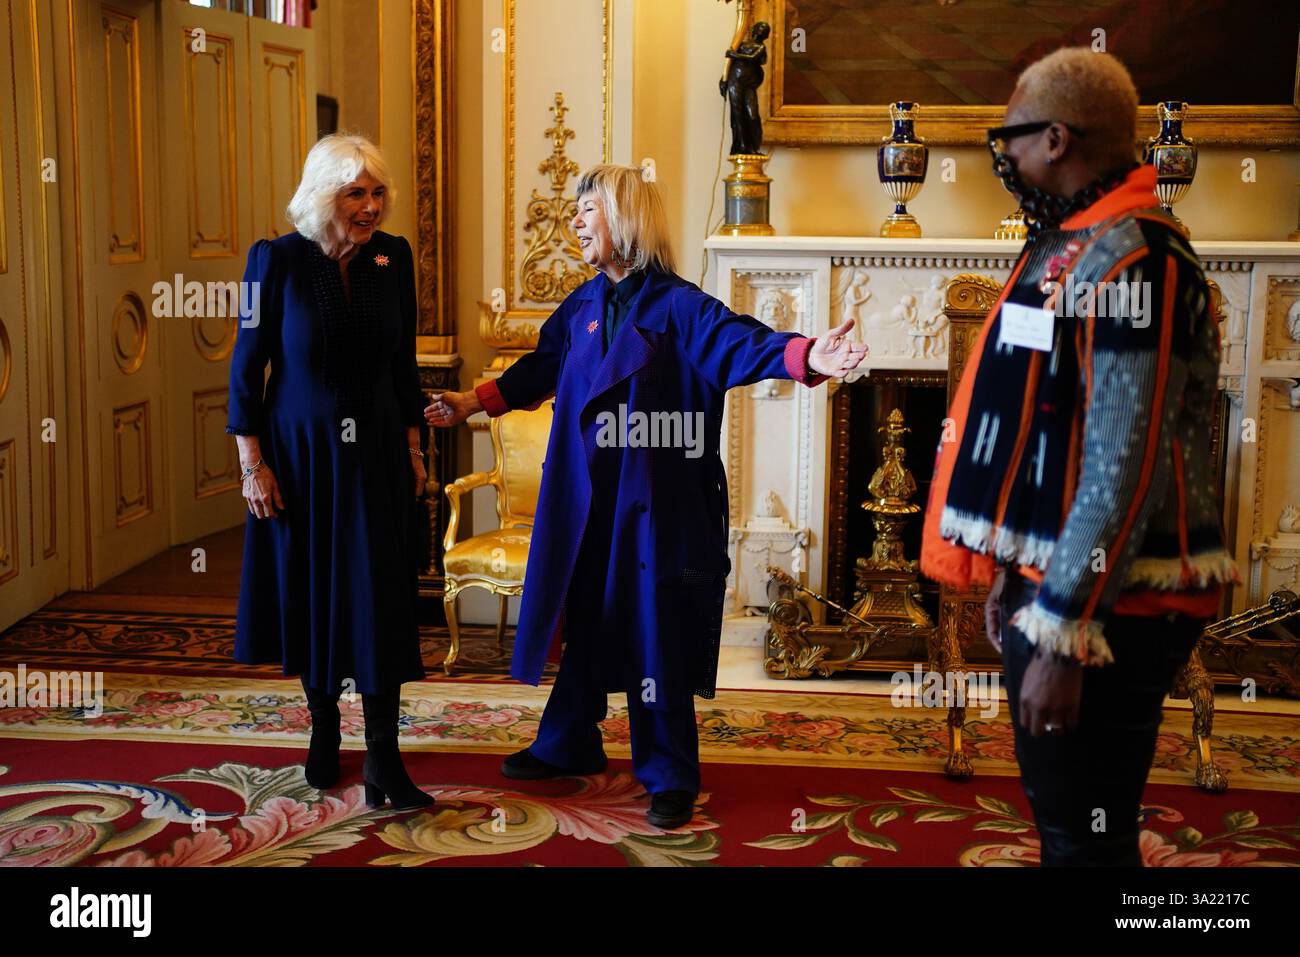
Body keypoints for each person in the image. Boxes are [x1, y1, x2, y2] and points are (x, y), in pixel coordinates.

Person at [427, 164, 866, 828]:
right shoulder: (580, 305)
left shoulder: (680, 306)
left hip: (657, 502)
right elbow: (537, 368)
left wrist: (806, 356)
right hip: (586, 499)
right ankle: (569, 740)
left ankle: (668, 770)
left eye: (588, 210)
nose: (575, 221)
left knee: (653, 625)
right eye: (574, 212)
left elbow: (742, 342)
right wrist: (470, 401)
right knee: (590, 615)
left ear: (626, 218)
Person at [921, 48, 1239, 865]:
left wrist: (1062, 633)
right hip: (1056, 581)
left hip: (1109, 610)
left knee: (1083, 829)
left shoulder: (1142, 257)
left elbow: (1120, 467)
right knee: (1065, 815)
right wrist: (1007, 569)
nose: (1008, 157)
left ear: (1057, 139)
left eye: (1014, 137)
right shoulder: (1071, 242)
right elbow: (1044, 425)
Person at [227, 133, 433, 812]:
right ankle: (322, 727)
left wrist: (412, 446)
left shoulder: (392, 256)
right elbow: (246, 364)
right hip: (298, 458)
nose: (371, 206)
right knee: (312, 587)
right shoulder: (274, 261)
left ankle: (383, 758)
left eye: (377, 192)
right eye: (356, 192)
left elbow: (403, 361)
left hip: (373, 453)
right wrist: (251, 462)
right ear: (325, 195)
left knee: (379, 595)